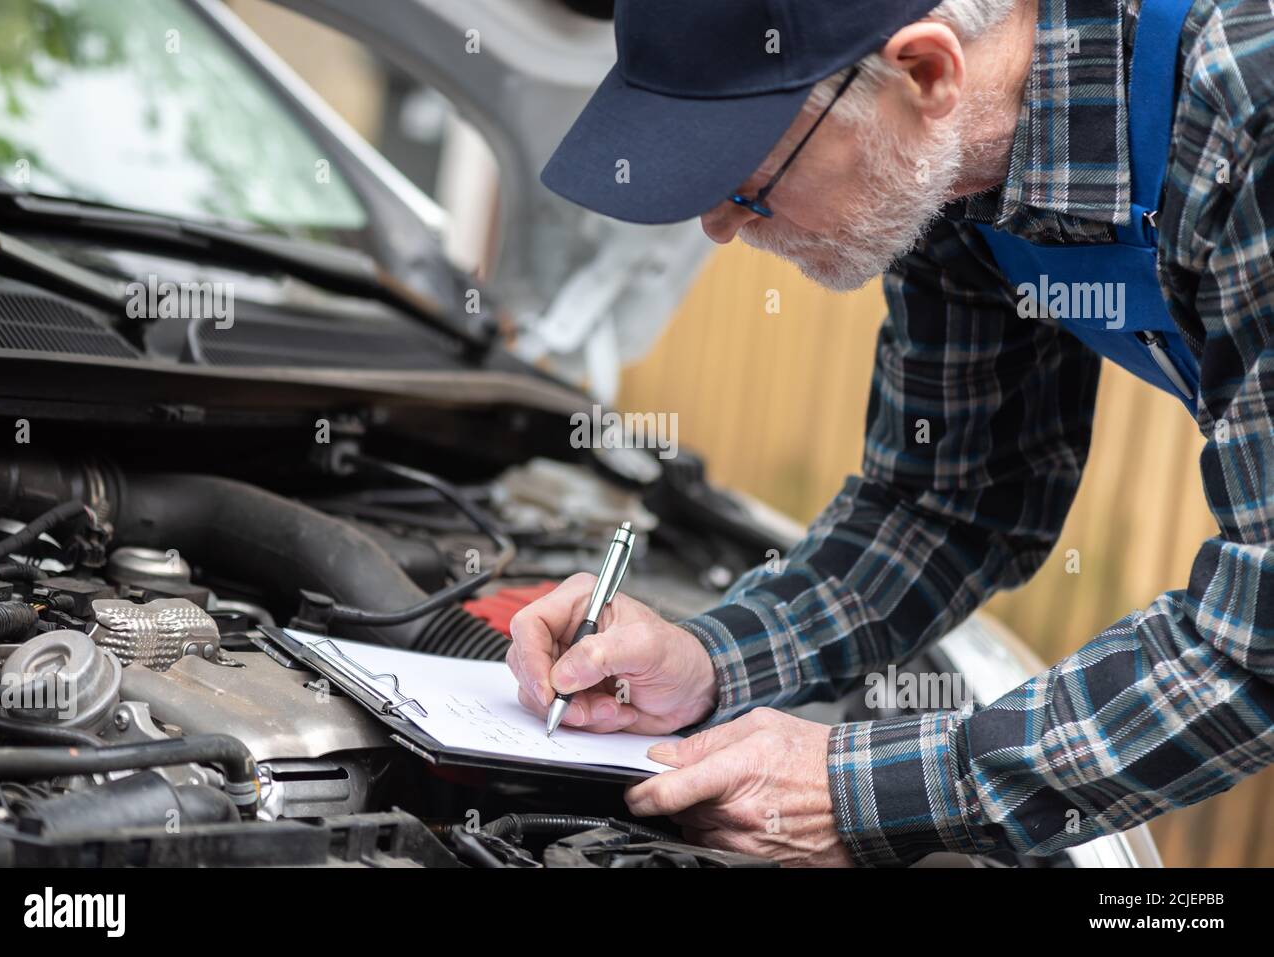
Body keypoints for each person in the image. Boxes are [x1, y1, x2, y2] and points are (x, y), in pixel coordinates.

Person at [506, 0, 1274, 867]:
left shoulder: (1250, 104)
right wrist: (709, 658)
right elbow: (947, 502)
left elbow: (1262, 630)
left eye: (745, 182)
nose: (718, 228)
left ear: (926, 74)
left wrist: (860, 793)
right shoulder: (943, 164)